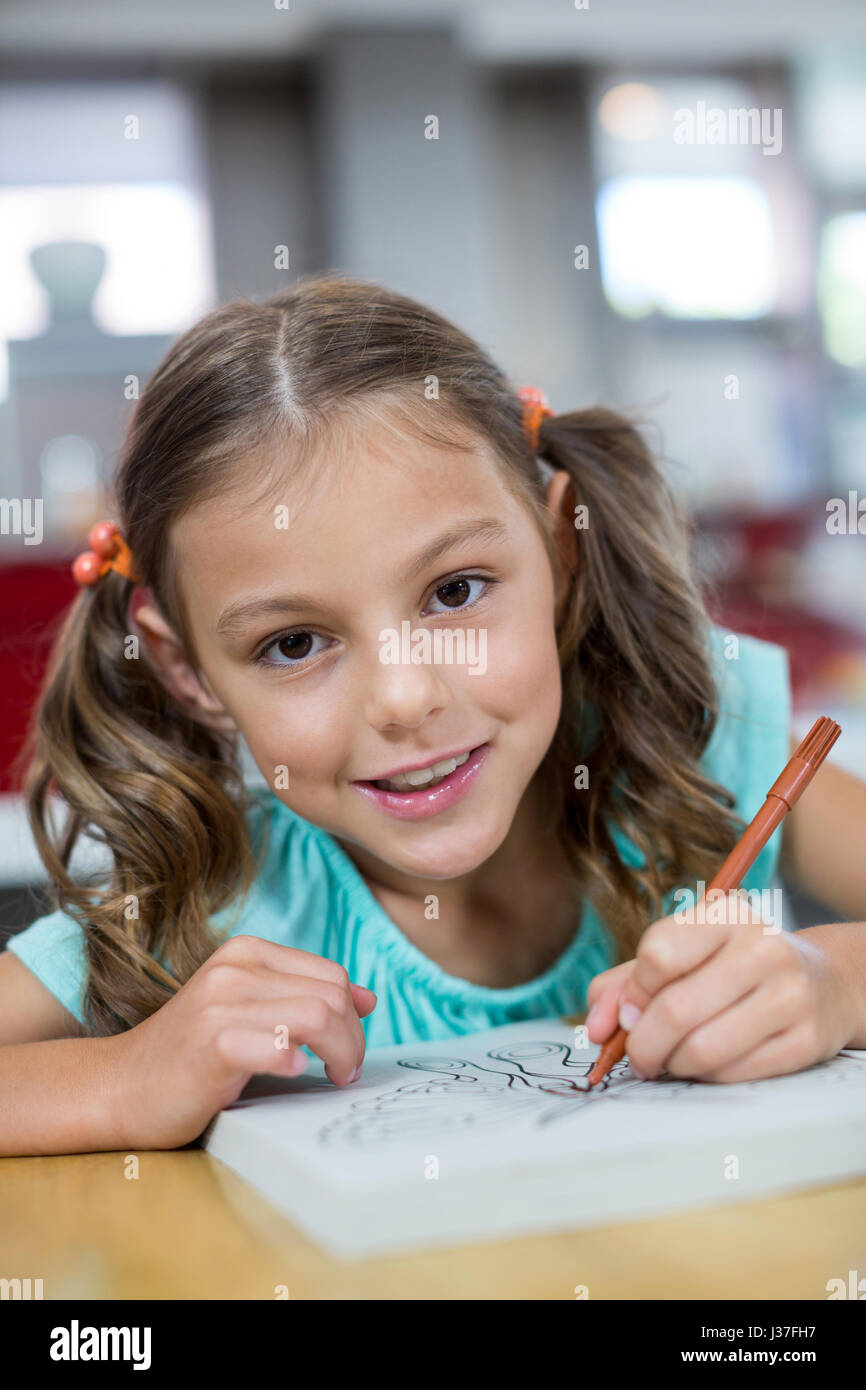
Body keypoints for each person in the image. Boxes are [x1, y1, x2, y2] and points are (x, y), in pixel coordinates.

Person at [2, 273, 864, 1155]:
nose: (406, 698)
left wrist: (836, 983)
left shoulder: (702, 751)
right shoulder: (207, 900)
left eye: (455, 591)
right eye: (294, 643)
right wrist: (124, 1079)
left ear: (561, 549)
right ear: (188, 670)